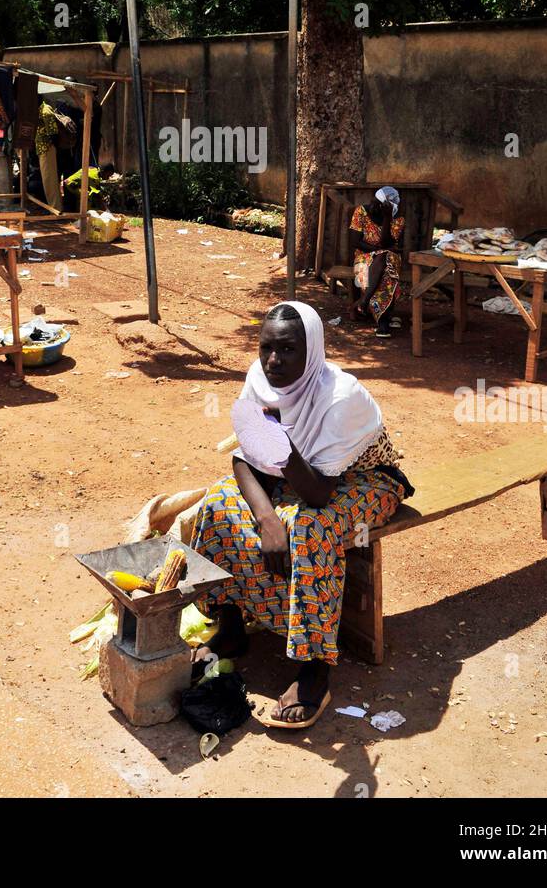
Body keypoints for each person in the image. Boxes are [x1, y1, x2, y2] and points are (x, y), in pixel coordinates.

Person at [191, 301, 412, 730]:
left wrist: (277, 440)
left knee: (310, 527)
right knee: (218, 503)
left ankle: (314, 669)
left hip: (363, 481)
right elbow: (243, 459)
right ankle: (232, 622)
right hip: (294, 475)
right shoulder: (260, 379)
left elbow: (316, 493)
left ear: (311, 352)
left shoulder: (341, 397)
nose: (274, 361)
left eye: (288, 350)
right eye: (266, 348)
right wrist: (267, 519)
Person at [349, 185, 404, 338]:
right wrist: (380, 250)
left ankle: (365, 302)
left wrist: (387, 218)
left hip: (389, 259)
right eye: (373, 201)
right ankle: (384, 320)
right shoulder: (361, 211)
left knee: (387, 263)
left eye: (377, 204)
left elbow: (386, 242)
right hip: (363, 257)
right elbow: (355, 242)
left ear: (386, 207)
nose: (372, 206)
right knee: (385, 260)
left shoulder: (397, 220)